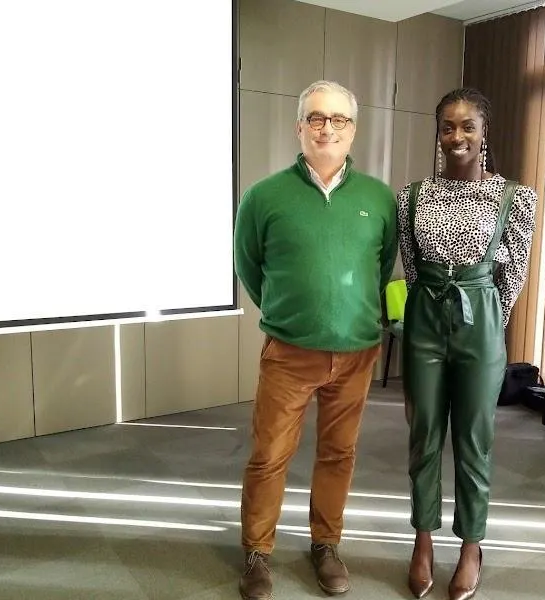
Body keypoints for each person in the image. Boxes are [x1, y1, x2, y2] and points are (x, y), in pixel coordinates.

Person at [233, 80, 398, 600]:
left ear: (353, 130)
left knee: (338, 455)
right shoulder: (263, 196)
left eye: (339, 120)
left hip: (356, 353)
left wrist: (349, 316)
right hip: (289, 353)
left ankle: (325, 545)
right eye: (317, 118)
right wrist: (293, 315)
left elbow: (382, 265)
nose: (328, 127)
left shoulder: (378, 198)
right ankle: (258, 553)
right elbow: (250, 268)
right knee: (269, 456)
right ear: (299, 127)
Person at [397, 87, 537, 600]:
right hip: (426, 319)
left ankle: (472, 545)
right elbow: (412, 270)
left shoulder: (514, 197)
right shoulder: (411, 196)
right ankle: (422, 539)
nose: (457, 136)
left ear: (484, 133)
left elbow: (514, 272)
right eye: (447, 127)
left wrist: (487, 324)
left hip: (480, 321)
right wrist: (431, 312)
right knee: (424, 434)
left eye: (467, 126)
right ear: (438, 134)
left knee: (474, 440)